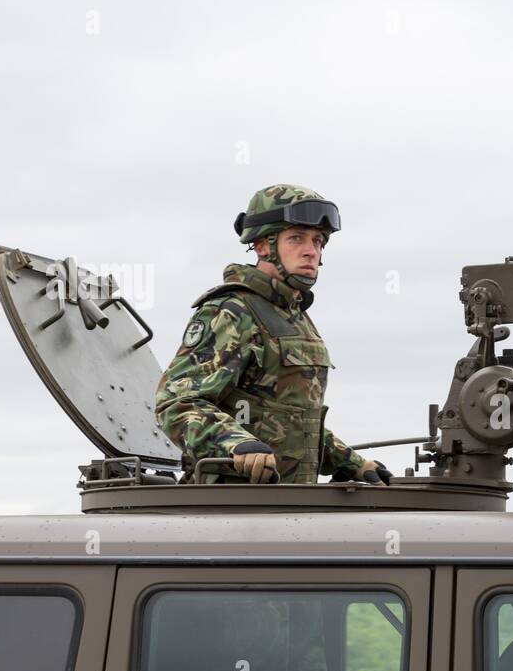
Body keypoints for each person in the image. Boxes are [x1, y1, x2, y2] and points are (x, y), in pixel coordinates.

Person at [155, 184, 391, 485]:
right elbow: (177, 402)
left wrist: (352, 462)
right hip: (233, 506)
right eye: (296, 238)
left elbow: (292, 419)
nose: (311, 251)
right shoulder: (232, 311)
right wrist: (236, 443)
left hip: (291, 502)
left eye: (318, 241)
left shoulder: (294, 316)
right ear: (262, 246)